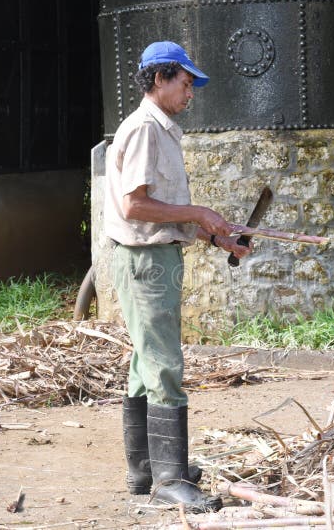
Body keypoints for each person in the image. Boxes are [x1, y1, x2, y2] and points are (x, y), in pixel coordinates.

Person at [104, 41, 252, 513]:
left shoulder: (162, 130)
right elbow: (135, 205)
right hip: (145, 261)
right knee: (164, 363)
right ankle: (169, 479)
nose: (191, 93)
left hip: (152, 257)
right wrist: (200, 211)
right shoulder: (147, 129)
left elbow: (160, 212)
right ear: (160, 79)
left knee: (146, 361)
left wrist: (216, 237)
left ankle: (144, 468)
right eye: (186, 83)